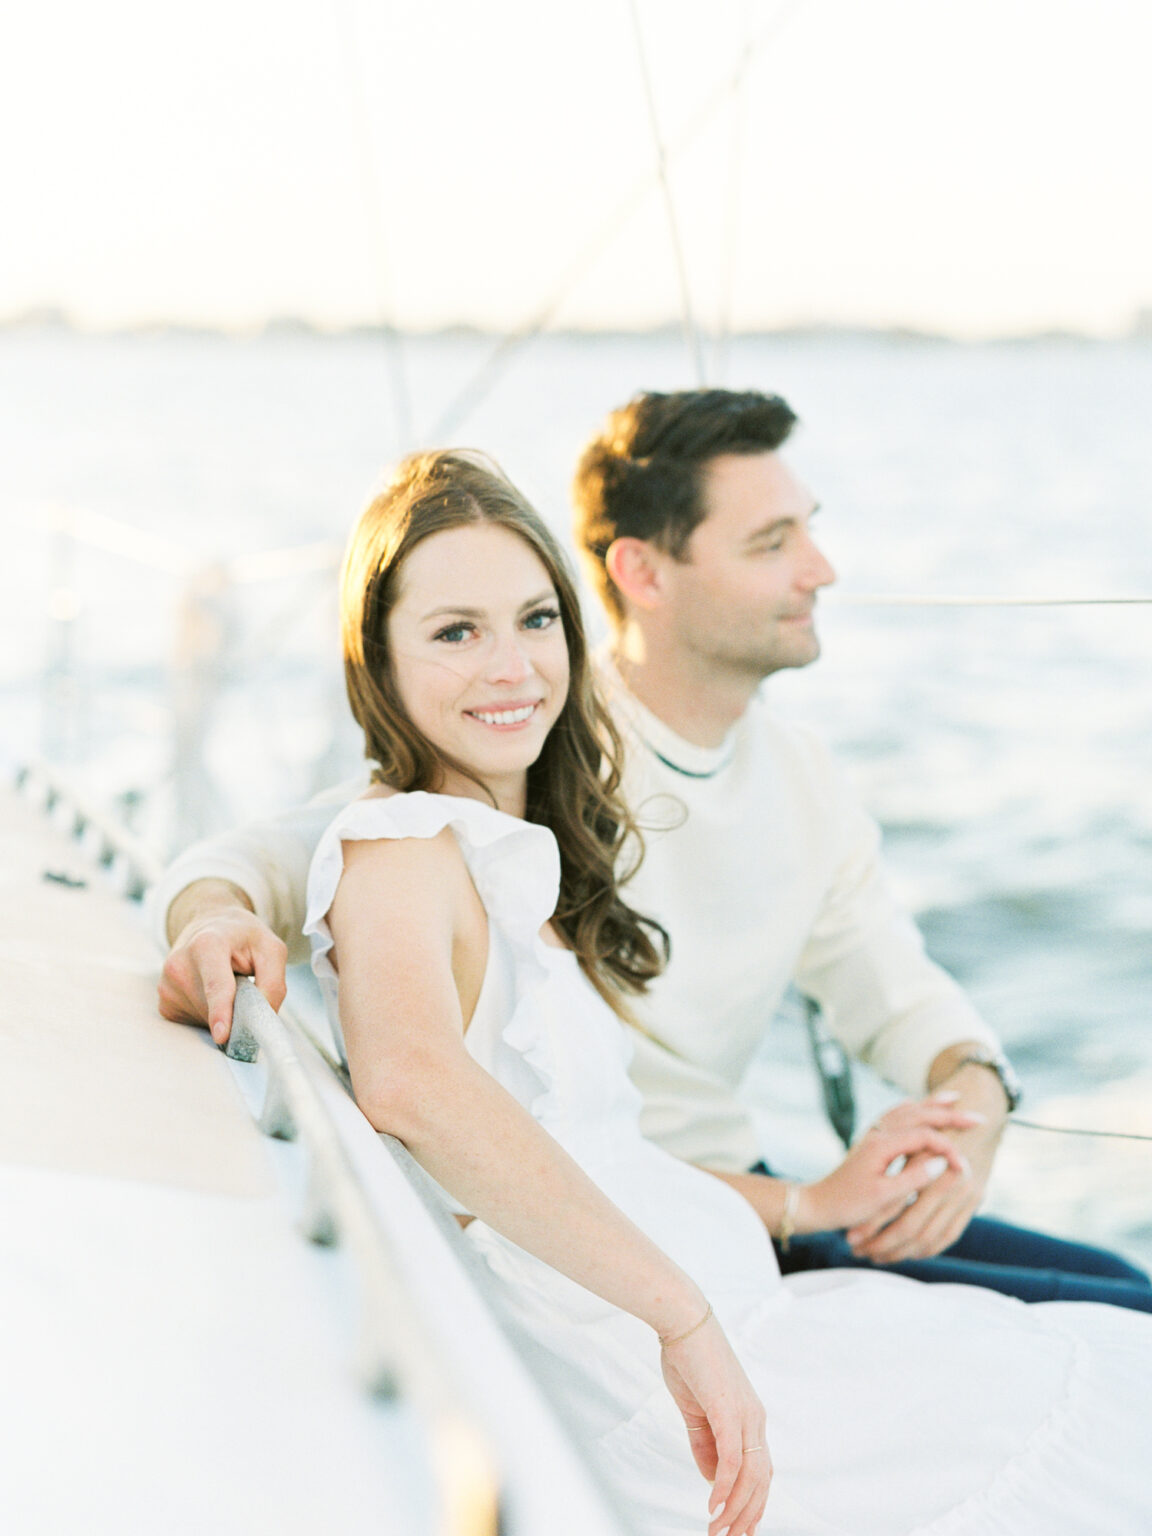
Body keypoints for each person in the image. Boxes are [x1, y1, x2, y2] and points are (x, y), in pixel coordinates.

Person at [303, 447, 1152, 1536]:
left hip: (731, 1295)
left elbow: (600, 1154)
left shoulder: (509, 847)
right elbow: (412, 1081)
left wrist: (812, 1204)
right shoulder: (404, 848)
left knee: (1108, 1344)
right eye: (455, 632)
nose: (510, 665)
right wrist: (684, 1317)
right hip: (662, 1362)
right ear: (376, 656)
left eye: (535, 619)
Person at [155, 389, 1152, 1311]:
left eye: (812, 530)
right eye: (774, 541)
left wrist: (974, 1100)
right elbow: (283, 855)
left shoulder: (800, 773)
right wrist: (215, 917)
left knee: (1116, 1284)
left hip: (746, 1206)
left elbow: (892, 986)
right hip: (644, 1228)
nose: (822, 568)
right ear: (642, 571)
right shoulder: (527, 733)